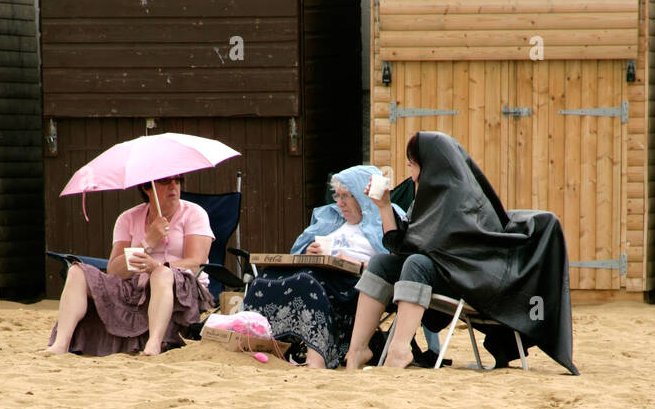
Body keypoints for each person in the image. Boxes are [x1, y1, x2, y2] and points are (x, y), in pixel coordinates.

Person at [345, 131, 578, 375]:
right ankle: (357, 349)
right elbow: (400, 247)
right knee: (381, 263)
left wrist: (402, 231)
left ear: (431, 163)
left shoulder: (462, 198)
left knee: (416, 263)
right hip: (439, 273)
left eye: (412, 161)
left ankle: (399, 348)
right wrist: (384, 206)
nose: (408, 165)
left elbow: (426, 249)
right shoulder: (426, 195)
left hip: (468, 279)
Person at [245, 164, 408, 369]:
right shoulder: (331, 220)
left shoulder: (385, 223)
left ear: (361, 195)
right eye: (337, 196)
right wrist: (307, 253)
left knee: (307, 282)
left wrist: (358, 264)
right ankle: (264, 348)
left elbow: (394, 266)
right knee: (264, 279)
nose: (339, 203)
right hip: (319, 273)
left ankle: (316, 359)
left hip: (355, 283)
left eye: (346, 196)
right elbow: (298, 252)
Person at [44, 175, 215, 356]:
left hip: (181, 286)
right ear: (146, 188)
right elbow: (114, 270)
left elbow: (196, 262)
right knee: (77, 272)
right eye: (165, 181)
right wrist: (148, 242)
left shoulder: (194, 213)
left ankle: (154, 343)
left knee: (161, 274)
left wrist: (156, 265)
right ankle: (61, 344)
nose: (174, 186)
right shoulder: (128, 218)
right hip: (135, 286)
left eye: (178, 180)